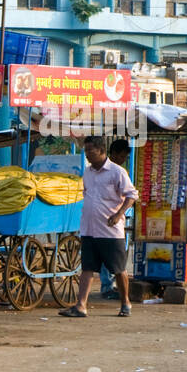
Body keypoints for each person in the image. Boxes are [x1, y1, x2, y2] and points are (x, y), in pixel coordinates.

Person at [60, 134, 138, 318]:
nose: (87, 154)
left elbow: (132, 195)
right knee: (87, 268)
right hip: (89, 228)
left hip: (110, 230)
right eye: (86, 150)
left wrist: (119, 214)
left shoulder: (117, 172)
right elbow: (87, 193)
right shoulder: (87, 172)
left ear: (101, 150)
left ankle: (125, 302)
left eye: (90, 151)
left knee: (118, 269)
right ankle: (81, 305)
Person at [99, 138, 137, 299]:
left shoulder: (118, 172)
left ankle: (109, 286)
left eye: (125, 157)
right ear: (114, 154)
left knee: (113, 255)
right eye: (122, 156)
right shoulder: (114, 171)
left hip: (113, 218)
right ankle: (108, 287)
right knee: (111, 256)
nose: (123, 160)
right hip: (108, 218)